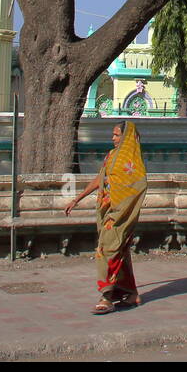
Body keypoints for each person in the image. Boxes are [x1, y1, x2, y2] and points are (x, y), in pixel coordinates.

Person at [65, 121, 148, 315]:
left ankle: (107, 296)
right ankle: (131, 293)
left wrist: (123, 206)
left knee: (107, 249)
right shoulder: (111, 156)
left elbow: (139, 186)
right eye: (113, 135)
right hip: (107, 211)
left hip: (122, 213)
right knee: (119, 250)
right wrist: (77, 199)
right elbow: (100, 179)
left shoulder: (134, 161)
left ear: (126, 137)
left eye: (117, 135)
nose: (113, 138)